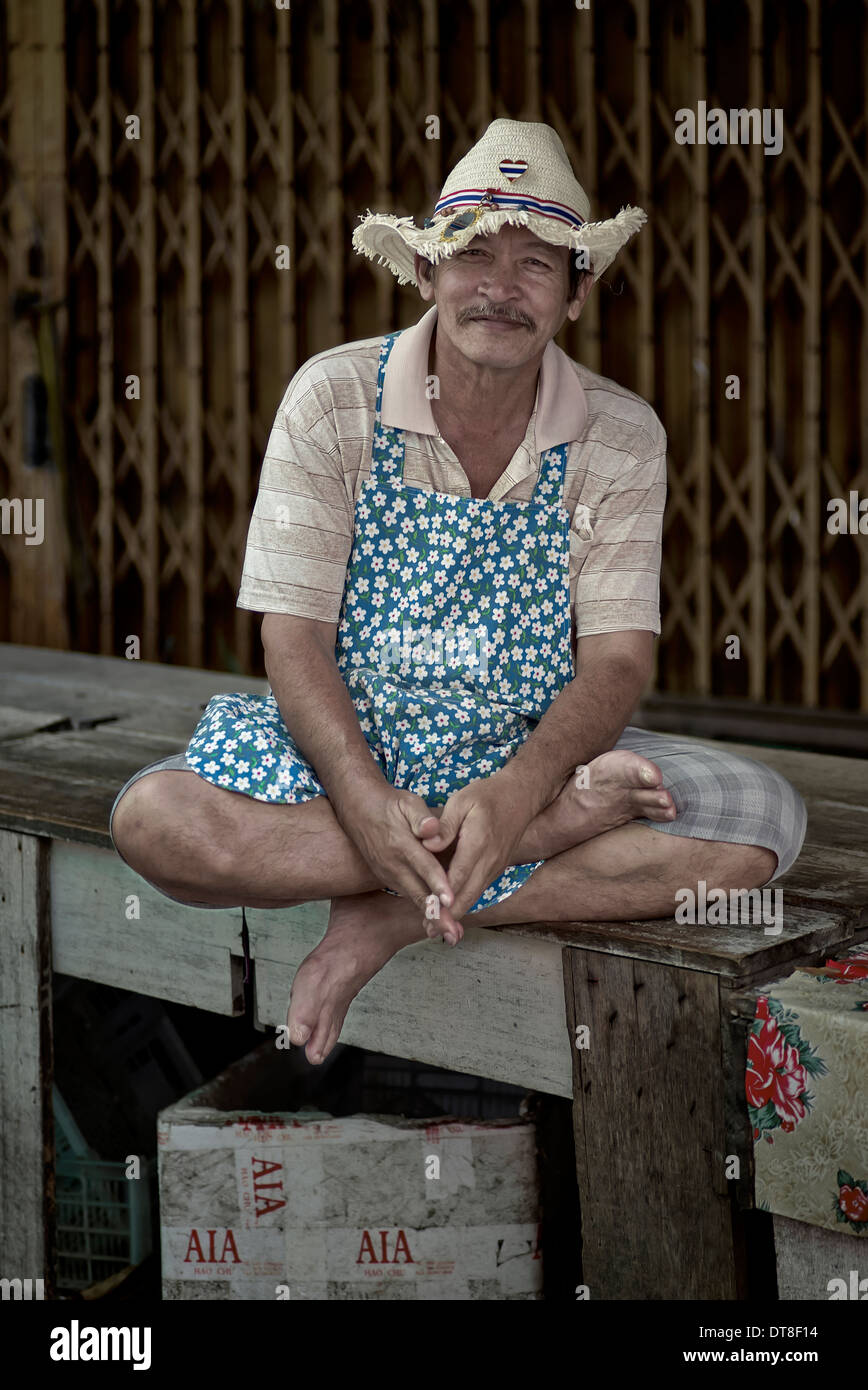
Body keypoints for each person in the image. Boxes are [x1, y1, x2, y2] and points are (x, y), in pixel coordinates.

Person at [110, 119, 807, 1066]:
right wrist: (362, 800)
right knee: (154, 824)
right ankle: (485, 859)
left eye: (535, 263)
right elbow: (293, 639)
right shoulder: (335, 397)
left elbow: (615, 661)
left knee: (760, 837)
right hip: (345, 750)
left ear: (576, 291)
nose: (499, 287)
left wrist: (522, 792)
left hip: (521, 753)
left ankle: (390, 919)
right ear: (428, 272)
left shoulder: (621, 434)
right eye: (473, 253)